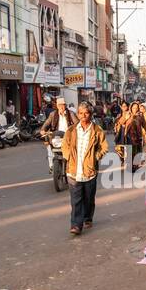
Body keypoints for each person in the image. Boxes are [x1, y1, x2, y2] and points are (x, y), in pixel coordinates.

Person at [61, 101, 107, 236]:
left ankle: (88, 217)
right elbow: (64, 145)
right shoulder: (71, 130)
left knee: (88, 198)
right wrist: (68, 156)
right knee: (76, 199)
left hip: (89, 170)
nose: (83, 116)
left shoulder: (97, 130)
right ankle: (76, 225)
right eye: (80, 113)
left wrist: (96, 156)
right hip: (73, 170)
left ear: (91, 114)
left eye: (86, 113)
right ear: (78, 114)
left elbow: (104, 147)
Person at [39, 96, 76, 171]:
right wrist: (43, 130)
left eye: (63, 105)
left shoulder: (70, 113)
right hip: (56, 137)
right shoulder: (53, 114)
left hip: (68, 136)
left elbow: (77, 123)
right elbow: (46, 124)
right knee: (49, 148)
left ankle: (73, 165)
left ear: (65, 105)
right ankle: (51, 166)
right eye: (60, 105)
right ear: (57, 106)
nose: (61, 107)